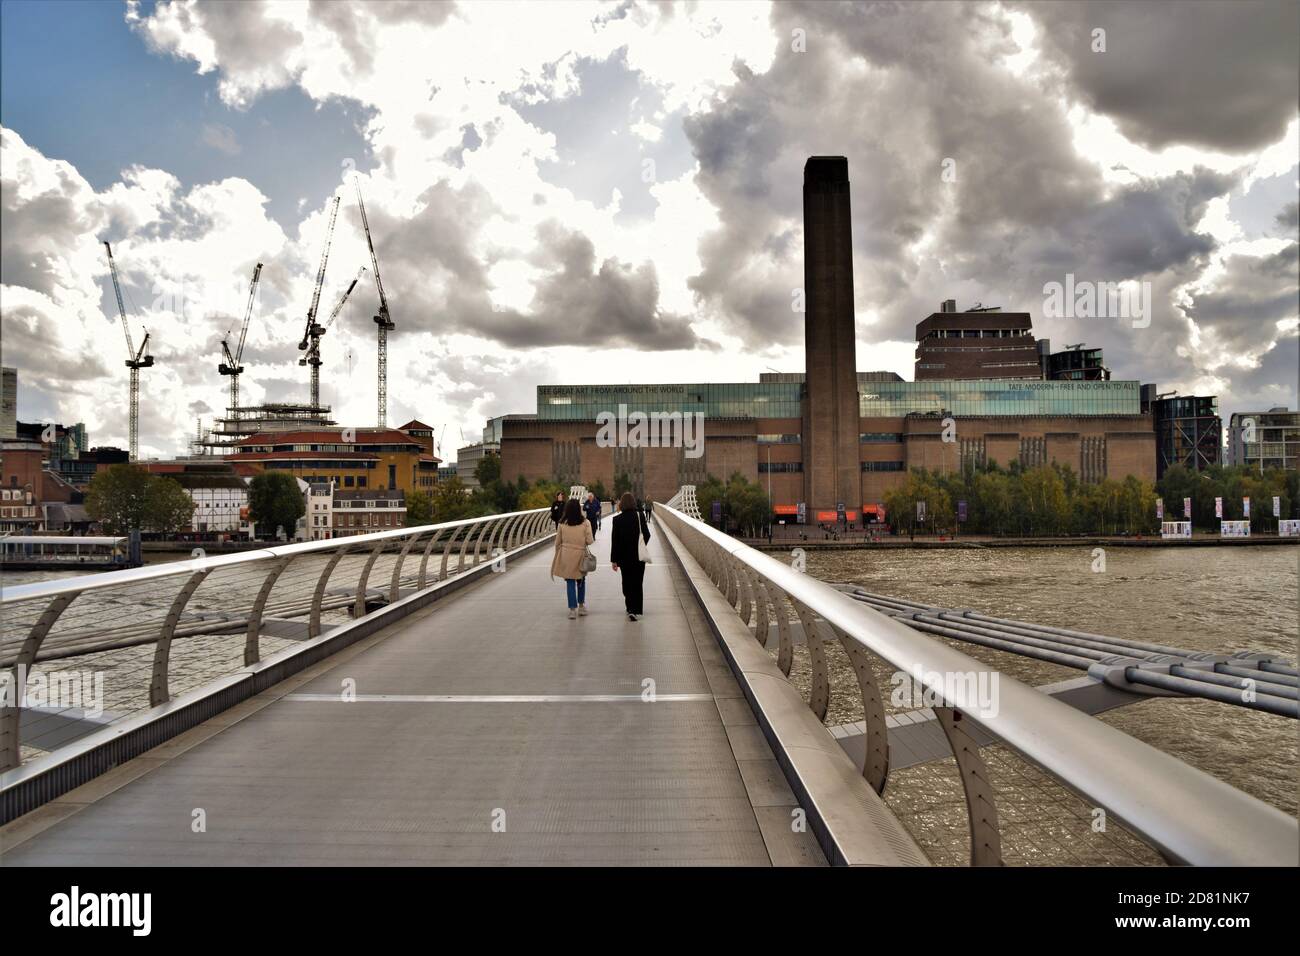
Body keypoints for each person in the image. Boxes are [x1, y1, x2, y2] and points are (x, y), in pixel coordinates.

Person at [550, 498, 594, 619]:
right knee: (581, 581)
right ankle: (581, 606)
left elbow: (557, 542)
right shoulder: (585, 523)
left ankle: (572, 610)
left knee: (570, 582)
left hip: (566, 555)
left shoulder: (562, 523)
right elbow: (590, 541)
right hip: (580, 555)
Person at [610, 491, 651, 621]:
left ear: (621, 504)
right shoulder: (640, 516)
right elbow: (647, 534)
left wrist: (614, 560)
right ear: (633, 503)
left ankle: (630, 608)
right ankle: (636, 609)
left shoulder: (617, 520)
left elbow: (614, 541)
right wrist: (641, 544)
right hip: (638, 556)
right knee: (637, 582)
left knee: (626, 582)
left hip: (624, 557)